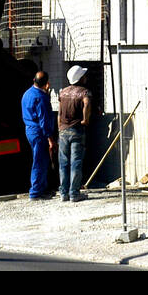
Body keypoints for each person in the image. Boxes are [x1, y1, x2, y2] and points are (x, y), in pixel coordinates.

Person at [57, 65, 94, 202]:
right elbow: (87, 103)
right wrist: (86, 119)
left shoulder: (63, 92)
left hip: (63, 130)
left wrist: (60, 127)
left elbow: (60, 112)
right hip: (77, 130)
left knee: (63, 163)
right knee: (76, 162)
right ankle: (74, 193)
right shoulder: (84, 92)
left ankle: (63, 192)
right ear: (80, 78)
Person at [21, 71, 56, 200]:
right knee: (40, 161)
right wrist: (50, 138)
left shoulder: (27, 94)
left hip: (30, 129)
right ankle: (36, 192)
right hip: (39, 132)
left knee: (40, 159)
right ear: (46, 84)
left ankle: (42, 189)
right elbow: (44, 119)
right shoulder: (41, 97)